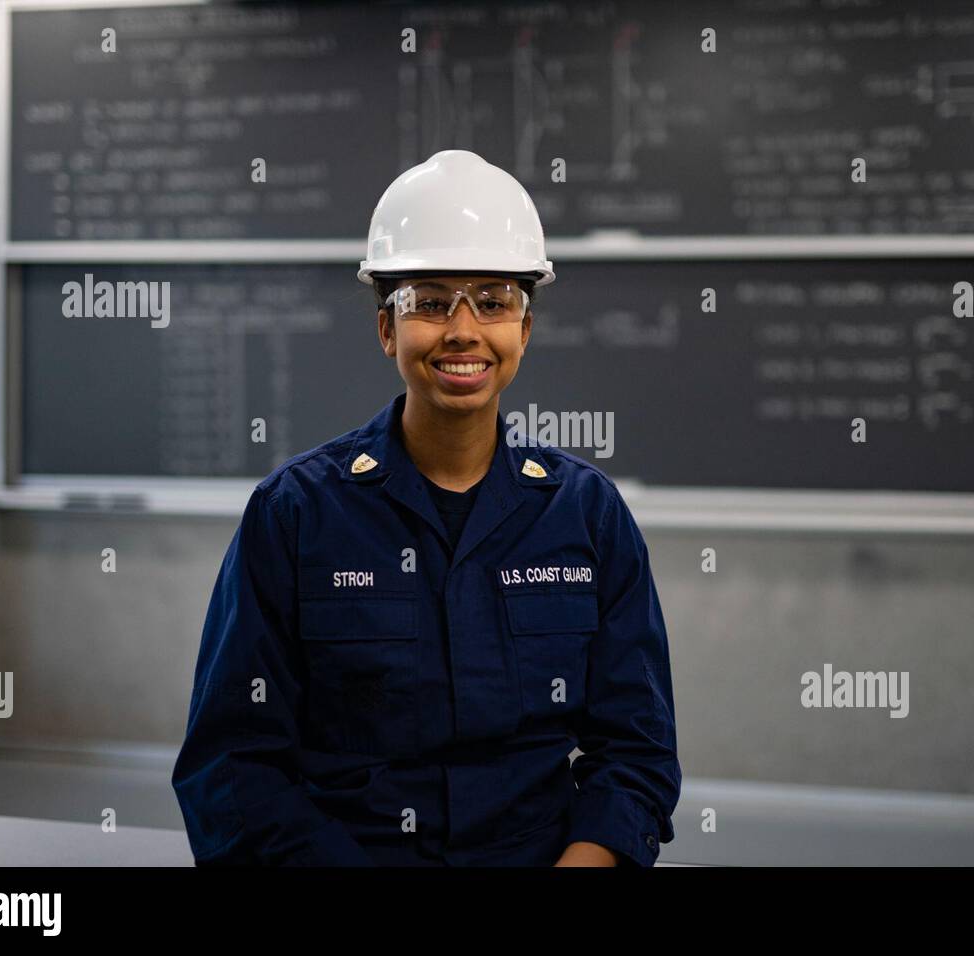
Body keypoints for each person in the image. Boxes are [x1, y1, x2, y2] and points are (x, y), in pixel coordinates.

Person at [172, 149, 681, 866]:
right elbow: (231, 764)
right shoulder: (295, 515)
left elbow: (636, 751)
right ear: (388, 330)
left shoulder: (585, 515)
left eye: (494, 301)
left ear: (524, 333)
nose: (463, 331)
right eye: (431, 301)